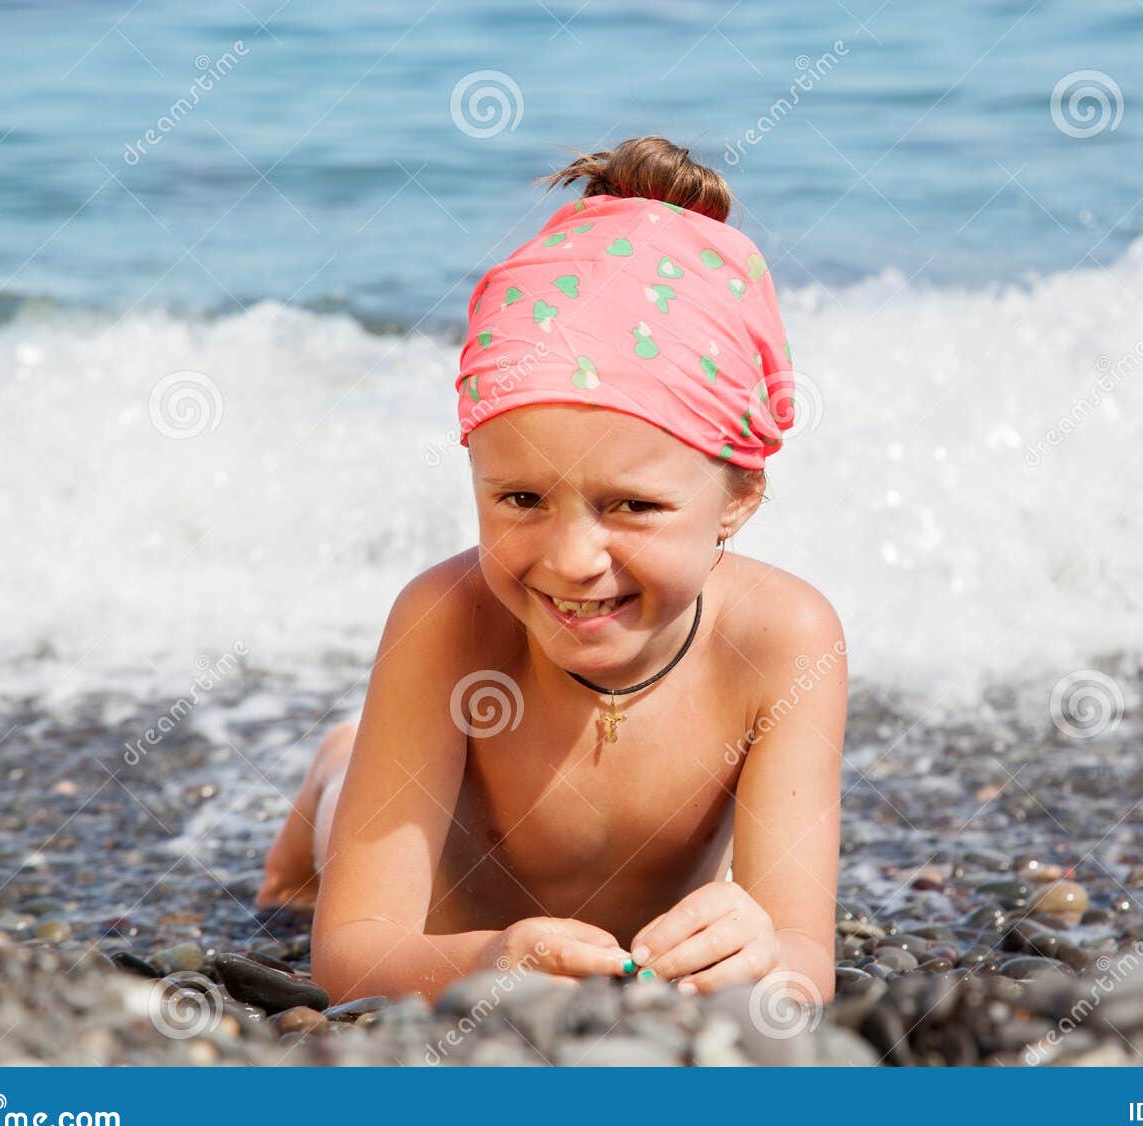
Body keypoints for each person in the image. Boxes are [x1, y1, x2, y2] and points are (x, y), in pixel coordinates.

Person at [256, 136, 846, 1006]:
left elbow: (802, 954)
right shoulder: (446, 622)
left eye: (632, 506)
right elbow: (351, 954)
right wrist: (486, 960)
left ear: (738, 495)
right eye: (522, 499)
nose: (572, 561)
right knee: (345, 808)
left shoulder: (786, 642)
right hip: (452, 911)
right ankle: (338, 763)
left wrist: (765, 952)